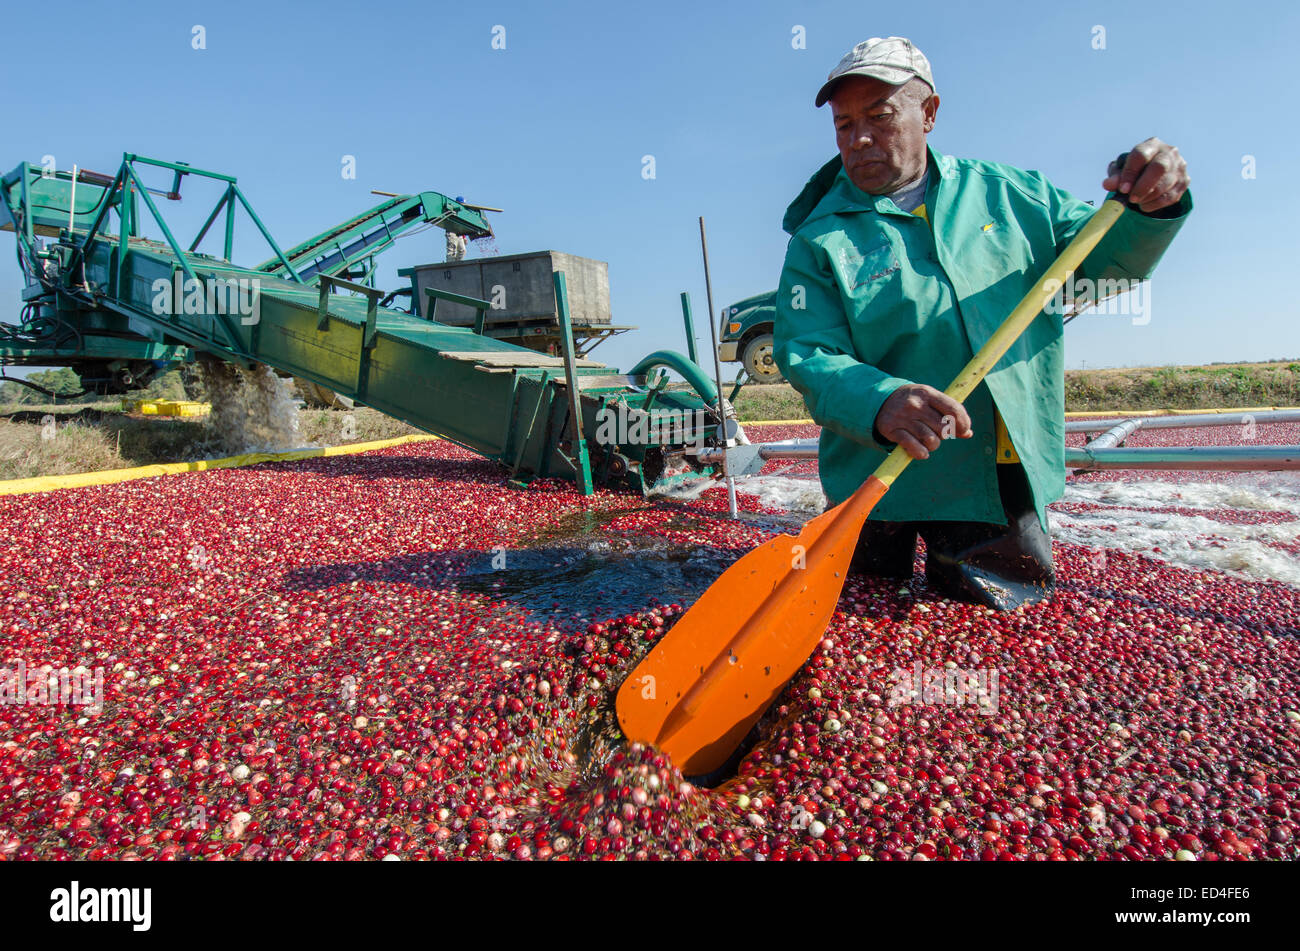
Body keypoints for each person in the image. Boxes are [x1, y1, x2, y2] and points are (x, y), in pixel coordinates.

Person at [773, 37, 1191, 609]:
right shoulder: (820, 238)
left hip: (992, 475)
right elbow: (810, 353)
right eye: (844, 125)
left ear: (930, 113)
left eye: (879, 116)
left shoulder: (1015, 198)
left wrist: (1149, 208)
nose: (859, 138)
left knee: (995, 633)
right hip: (873, 480)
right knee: (862, 620)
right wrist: (880, 401)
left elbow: (1104, 267)